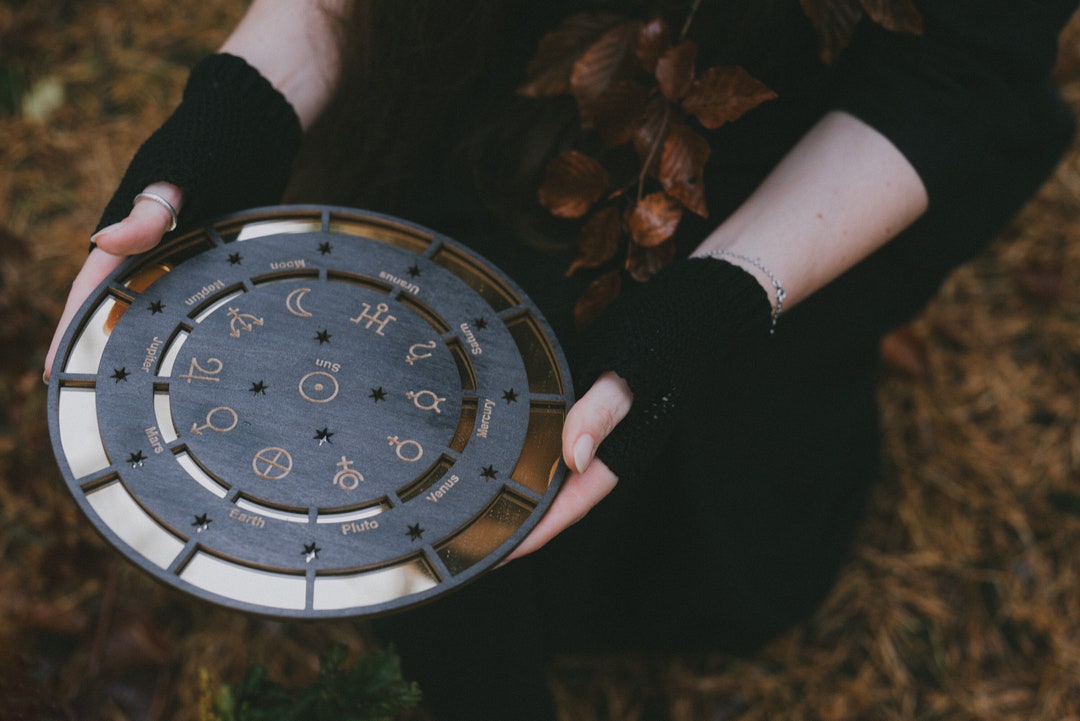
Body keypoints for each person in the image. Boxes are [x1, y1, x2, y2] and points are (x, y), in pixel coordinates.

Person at [44, 1, 1078, 718]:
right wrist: (235, 114)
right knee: (419, 436)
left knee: (638, 505)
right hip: (466, 79)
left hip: (782, 159)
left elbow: (952, 73)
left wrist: (715, 302)